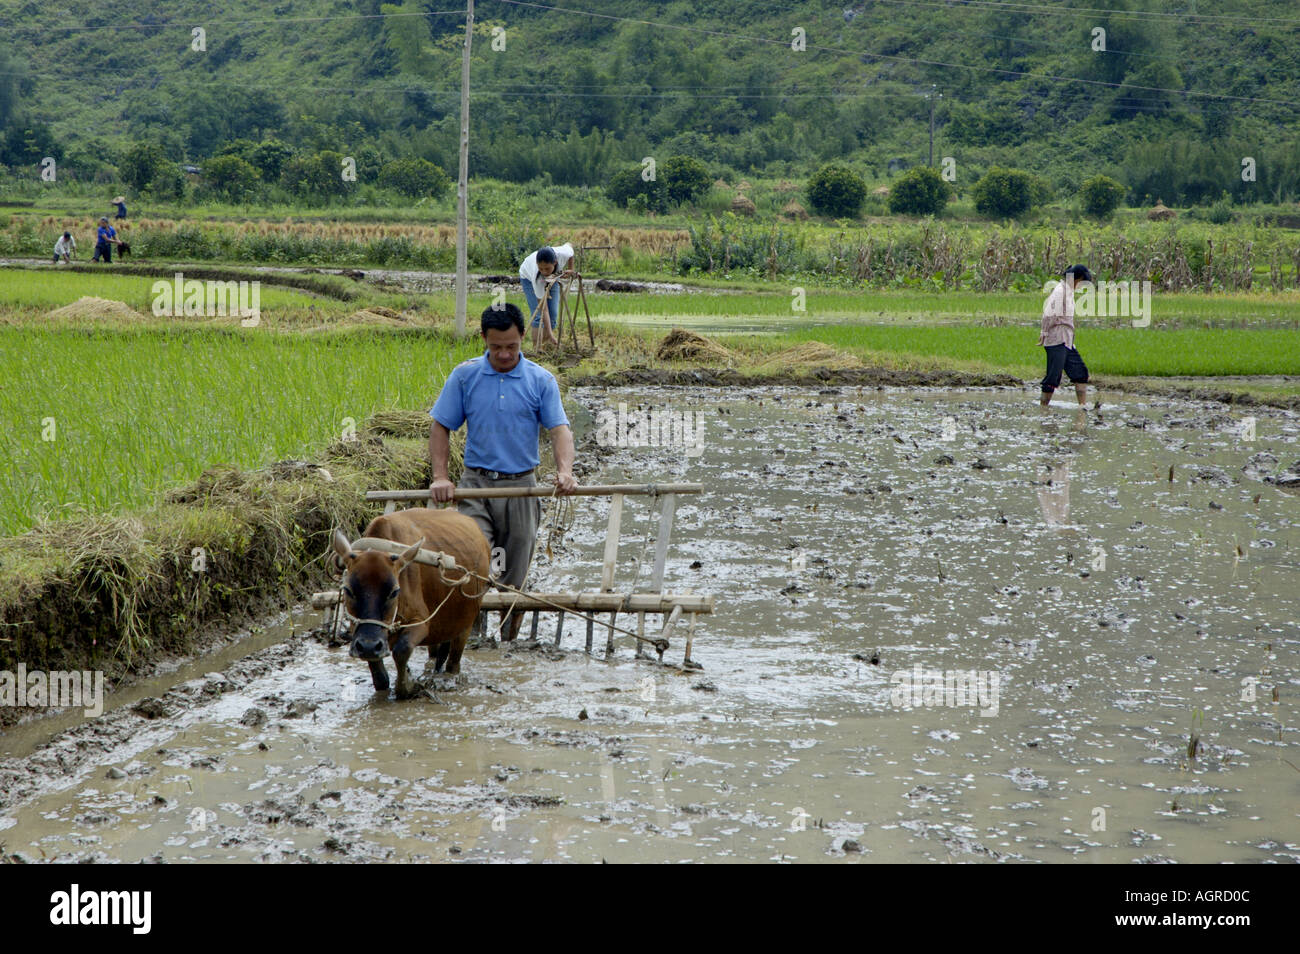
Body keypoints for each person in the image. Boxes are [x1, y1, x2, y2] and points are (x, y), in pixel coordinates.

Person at [429, 302, 578, 640]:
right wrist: (440, 476)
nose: (505, 354)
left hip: (522, 486)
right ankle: (471, 636)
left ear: (523, 337)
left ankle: (508, 639)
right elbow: (440, 426)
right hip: (476, 487)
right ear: (483, 339)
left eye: (512, 346)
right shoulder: (465, 376)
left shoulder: (540, 380)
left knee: (515, 573)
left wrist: (565, 471)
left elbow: (559, 430)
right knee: (472, 562)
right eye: (496, 347)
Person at [1039, 264, 1092, 407]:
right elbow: (1047, 315)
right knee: (1053, 377)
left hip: (1066, 341)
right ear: (1077, 279)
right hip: (1056, 339)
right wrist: (1044, 333)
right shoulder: (1060, 291)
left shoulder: (1068, 292)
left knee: (1080, 373)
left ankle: (1082, 407)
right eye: (1082, 282)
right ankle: (1043, 409)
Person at [519, 243, 574, 349]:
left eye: (547, 269)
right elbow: (543, 309)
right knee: (538, 316)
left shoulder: (562, 253)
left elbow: (570, 247)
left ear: (555, 262)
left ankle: (545, 346)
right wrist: (550, 333)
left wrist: (571, 269)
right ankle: (537, 349)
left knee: (553, 315)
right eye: (541, 269)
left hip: (554, 276)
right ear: (537, 265)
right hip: (528, 278)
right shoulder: (537, 276)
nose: (544, 272)